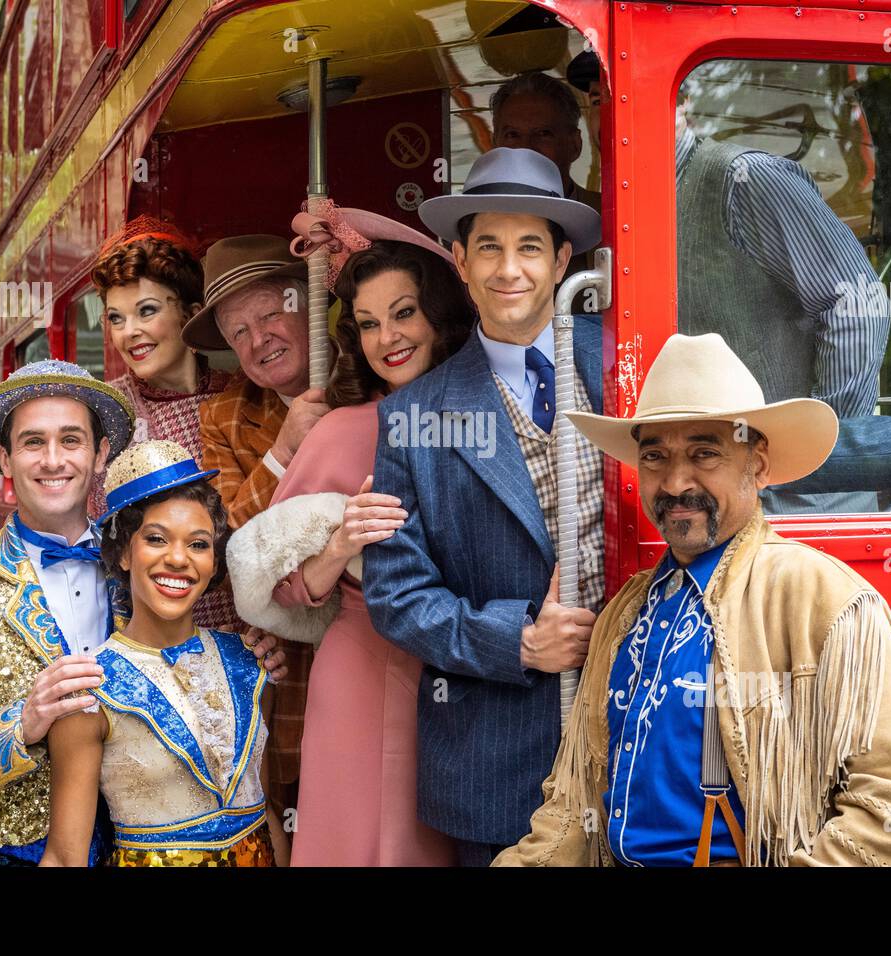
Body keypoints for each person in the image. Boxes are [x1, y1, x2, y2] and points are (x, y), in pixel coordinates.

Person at [495, 333, 891, 866]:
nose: (675, 480)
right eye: (655, 457)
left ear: (756, 464)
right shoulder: (626, 611)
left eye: (704, 453)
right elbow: (572, 809)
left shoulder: (820, 596)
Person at [527, 55, 891, 513]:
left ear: (681, 102)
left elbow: (857, 304)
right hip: (709, 502)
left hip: (797, 511)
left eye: (629, 96)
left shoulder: (742, 178)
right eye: (596, 100)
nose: (609, 114)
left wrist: (820, 453)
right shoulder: (630, 210)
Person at [0, 360, 283, 867]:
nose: (53, 460)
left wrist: (246, 657)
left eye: (71, 440)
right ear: (4, 457)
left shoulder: (146, 572)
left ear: (100, 452)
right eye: (33, 442)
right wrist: (18, 726)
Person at [364, 147, 607, 865]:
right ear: (460, 261)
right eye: (490, 248)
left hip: (641, 732)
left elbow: (748, 443)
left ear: (561, 260)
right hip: (497, 764)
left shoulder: (630, 357)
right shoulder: (414, 415)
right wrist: (521, 641)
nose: (510, 269)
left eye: (530, 246)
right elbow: (396, 595)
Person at [228, 234, 473, 866]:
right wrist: (339, 543)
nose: (387, 336)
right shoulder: (341, 430)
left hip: (474, 671)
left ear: (440, 314)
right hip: (362, 666)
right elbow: (272, 585)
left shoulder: (491, 417)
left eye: (403, 312)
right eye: (367, 323)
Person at [40, 440, 274, 867]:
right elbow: (64, 856)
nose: (179, 559)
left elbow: (267, 812)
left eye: (199, 544)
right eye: (156, 539)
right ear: (125, 552)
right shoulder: (88, 692)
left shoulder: (250, 662)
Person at [183, 235, 330, 863]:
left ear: (314, 306)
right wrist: (285, 449)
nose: (258, 339)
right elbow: (213, 553)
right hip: (290, 674)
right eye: (238, 332)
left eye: (271, 313)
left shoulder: (372, 375)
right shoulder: (224, 414)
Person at [88, 217, 237, 630]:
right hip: (148, 643)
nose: (129, 332)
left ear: (191, 313)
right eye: (115, 318)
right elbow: (101, 548)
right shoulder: (107, 412)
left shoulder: (243, 399)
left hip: (249, 641)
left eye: (147, 311)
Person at [491, 70, 601, 282]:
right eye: (512, 135)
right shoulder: (471, 226)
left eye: (543, 134)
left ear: (575, 145)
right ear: (494, 144)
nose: (526, 148)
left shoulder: (608, 220)